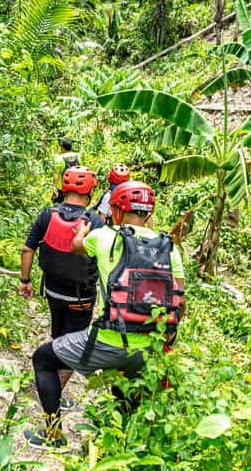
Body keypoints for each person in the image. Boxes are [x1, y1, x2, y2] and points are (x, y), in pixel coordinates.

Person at [25, 181, 186, 449]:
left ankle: (53, 436)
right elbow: (180, 302)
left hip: (106, 341)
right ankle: (117, 447)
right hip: (149, 349)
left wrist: (82, 231)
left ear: (117, 211)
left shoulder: (103, 237)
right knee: (125, 384)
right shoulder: (169, 248)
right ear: (150, 213)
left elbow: (77, 246)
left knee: (43, 359)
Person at [19, 166, 104, 409]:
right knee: (73, 347)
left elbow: (27, 249)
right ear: (90, 192)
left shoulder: (47, 214)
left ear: (63, 189)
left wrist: (25, 281)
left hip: (52, 291)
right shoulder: (94, 222)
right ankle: (53, 394)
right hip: (81, 297)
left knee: (58, 337)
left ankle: (50, 382)